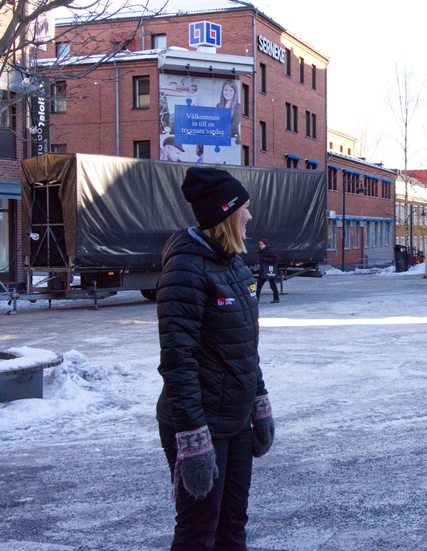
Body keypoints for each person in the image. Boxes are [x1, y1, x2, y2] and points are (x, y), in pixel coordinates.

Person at [155, 167, 275, 550]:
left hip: (236, 420)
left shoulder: (235, 266)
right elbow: (178, 360)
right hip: (201, 423)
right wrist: (192, 439)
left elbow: (245, 348)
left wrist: (259, 404)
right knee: (198, 532)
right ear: (225, 214)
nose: (250, 217)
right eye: (244, 209)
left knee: (232, 526)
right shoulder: (186, 268)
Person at [216, 79, 241, 145]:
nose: (228, 93)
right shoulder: (218, 105)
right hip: (219, 139)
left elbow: (234, 124)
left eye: (231, 90)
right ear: (223, 90)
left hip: (233, 140)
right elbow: (216, 122)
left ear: (234, 92)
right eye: (226, 89)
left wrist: (223, 132)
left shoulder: (238, 107)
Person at [256, 238, 280, 303]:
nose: (260, 246)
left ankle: (276, 298)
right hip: (263, 270)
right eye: (260, 244)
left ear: (265, 244)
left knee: (272, 284)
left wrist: (266, 259)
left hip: (268, 270)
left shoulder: (270, 251)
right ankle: (256, 299)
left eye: (262, 244)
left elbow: (275, 259)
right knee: (259, 285)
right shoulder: (261, 251)